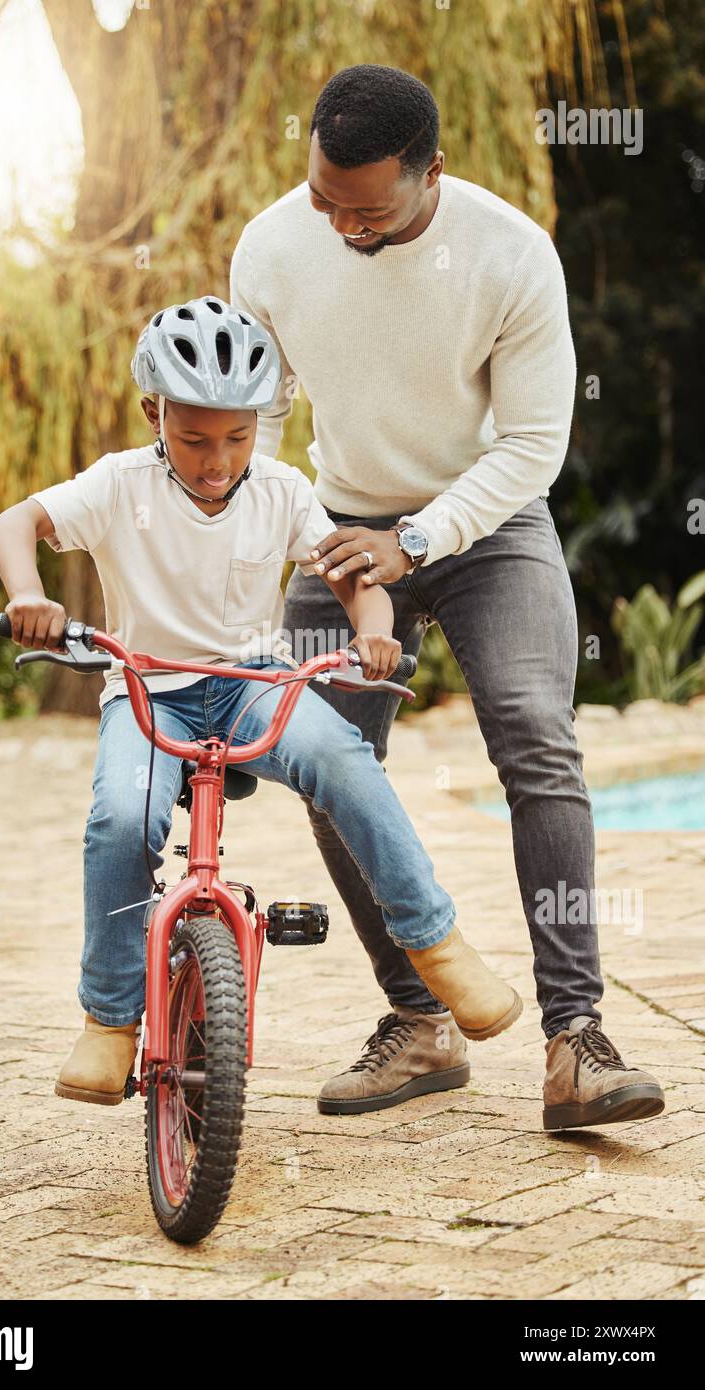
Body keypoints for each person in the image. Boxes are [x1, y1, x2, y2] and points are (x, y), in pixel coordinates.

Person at [229, 64, 665, 1131]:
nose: (338, 226)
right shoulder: (275, 245)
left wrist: (415, 538)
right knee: (319, 755)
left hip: (486, 525)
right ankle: (417, 1021)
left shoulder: (510, 254)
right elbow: (263, 415)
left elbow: (530, 446)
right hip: (336, 524)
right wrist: (263, 544)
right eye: (325, 198)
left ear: (433, 173)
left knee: (533, 732)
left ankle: (576, 1042)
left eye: (366, 209)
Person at [0, 296, 522, 1107]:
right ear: (153, 413)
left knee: (345, 757)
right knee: (119, 819)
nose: (216, 459)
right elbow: (14, 522)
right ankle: (107, 1019)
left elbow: (349, 573)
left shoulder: (278, 487)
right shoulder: (116, 483)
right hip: (147, 692)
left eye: (236, 437)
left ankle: (437, 948)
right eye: (193, 437)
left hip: (251, 686)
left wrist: (373, 630)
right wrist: (28, 593)